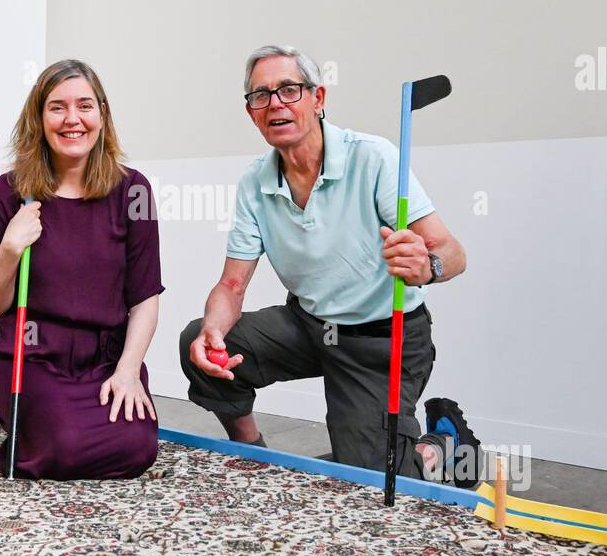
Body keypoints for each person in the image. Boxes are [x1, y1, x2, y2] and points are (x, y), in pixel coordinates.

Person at [180, 45, 468, 478]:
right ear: (252, 114)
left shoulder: (374, 158)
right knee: (198, 343)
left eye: (289, 90)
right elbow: (231, 286)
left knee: (372, 477)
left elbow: (453, 252)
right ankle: (251, 455)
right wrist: (214, 330)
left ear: (318, 99)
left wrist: (428, 266)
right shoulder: (255, 181)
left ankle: (441, 444)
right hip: (309, 325)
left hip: (382, 339)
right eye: (261, 95)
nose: (275, 103)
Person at [0, 59, 163, 479]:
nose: (72, 119)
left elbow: (145, 298)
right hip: (30, 355)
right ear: (38, 119)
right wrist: (9, 251)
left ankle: (42, 434)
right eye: (57, 107)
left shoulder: (134, 191)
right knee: (66, 445)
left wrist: (128, 371)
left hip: (106, 359)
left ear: (102, 115)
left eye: (84, 106)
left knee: (138, 447)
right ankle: (34, 436)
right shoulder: (9, 194)